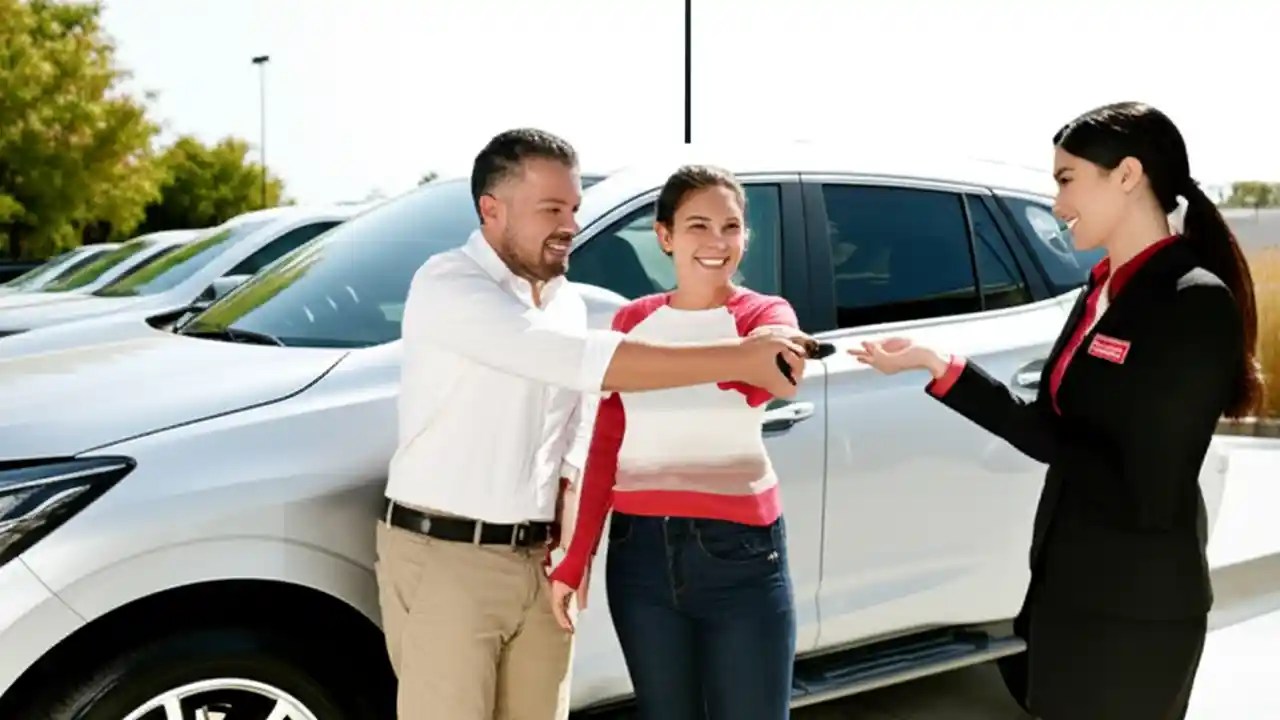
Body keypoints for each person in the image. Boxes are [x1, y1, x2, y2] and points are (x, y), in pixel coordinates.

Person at [377, 131, 813, 720]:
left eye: (574, 208)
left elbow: (580, 439)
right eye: (552, 210)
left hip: (541, 560)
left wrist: (572, 550)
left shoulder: (566, 305)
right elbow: (580, 366)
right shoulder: (449, 284)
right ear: (491, 209)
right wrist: (739, 357)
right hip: (450, 556)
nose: (571, 225)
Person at [851, 101, 1261, 720]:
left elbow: (1142, 484)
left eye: (1067, 179)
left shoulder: (1192, 302)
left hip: (1137, 612)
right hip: (1065, 592)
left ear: (1127, 175)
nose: (1057, 202)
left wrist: (1045, 437)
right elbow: (1050, 428)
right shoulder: (1098, 291)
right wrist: (940, 366)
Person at [548, 165, 808, 720]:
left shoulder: (762, 313)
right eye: (698, 226)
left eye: (731, 227)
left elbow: (777, 370)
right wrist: (577, 556)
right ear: (664, 236)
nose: (717, 241)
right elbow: (606, 443)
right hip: (639, 558)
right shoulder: (632, 320)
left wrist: (765, 353)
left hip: (739, 556)